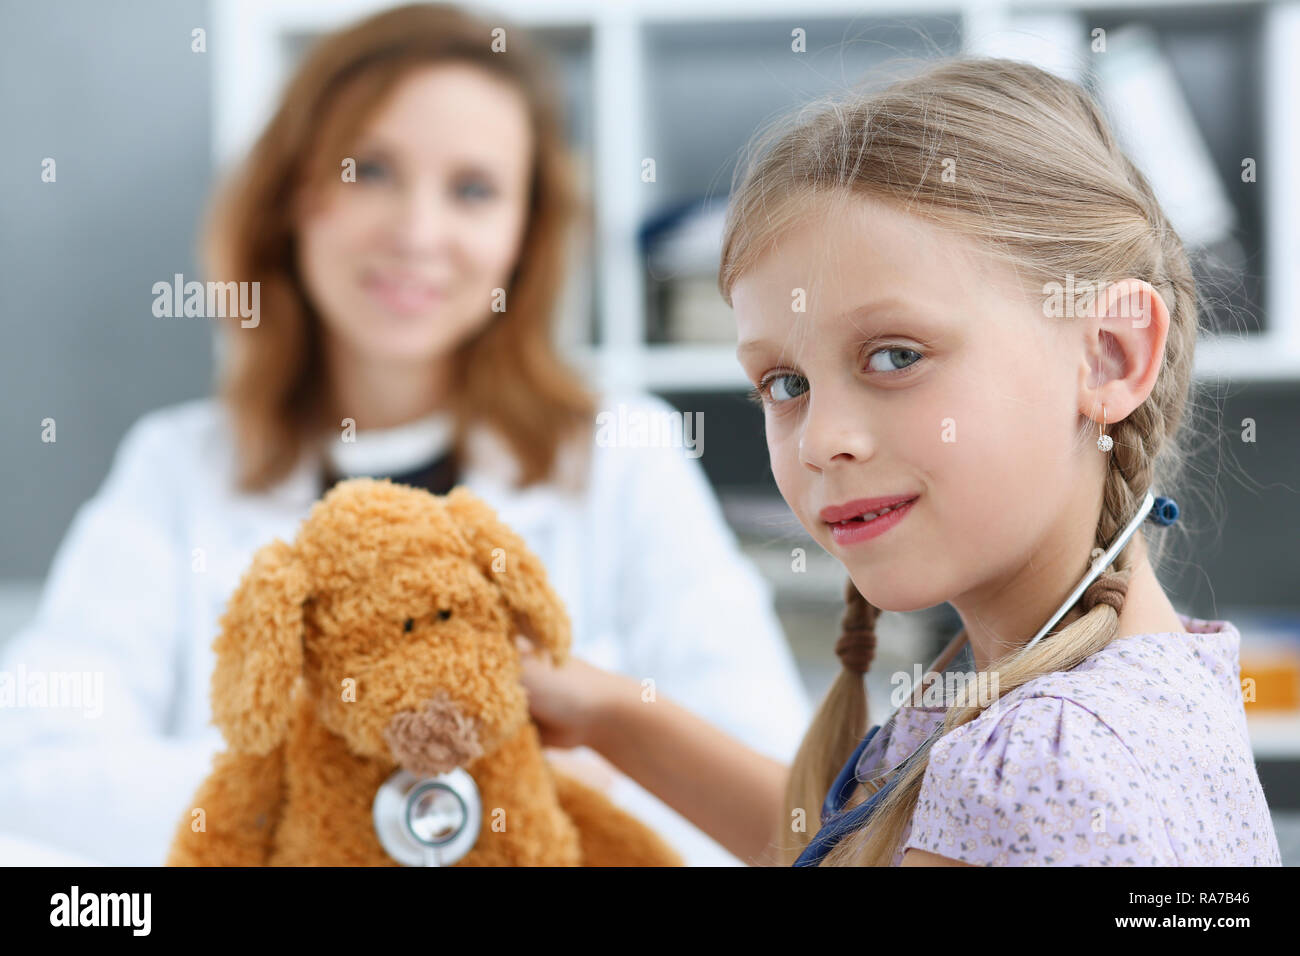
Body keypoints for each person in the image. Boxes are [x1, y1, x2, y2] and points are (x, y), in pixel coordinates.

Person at [0, 3, 811, 867]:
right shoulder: (176, 467)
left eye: (473, 190)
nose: (418, 234)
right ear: (294, 197)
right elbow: (34, 770)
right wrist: (355, 782)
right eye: (371, 171)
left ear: (522, 238)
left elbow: (773, 789)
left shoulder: (620, 451)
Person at [517, 56, 1283, 866]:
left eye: (895, 357)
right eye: (785, 382)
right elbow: (855, 847)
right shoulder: (1118, 690)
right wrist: (609, 716)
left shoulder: (1044, 762)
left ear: (1110, 357)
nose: (819, 440)